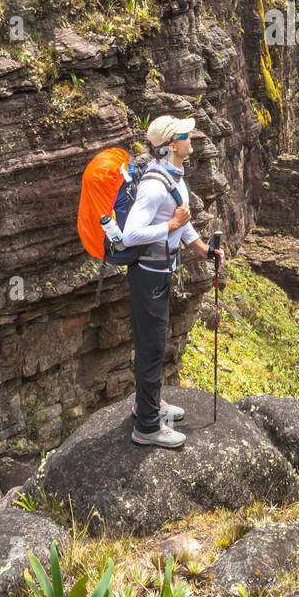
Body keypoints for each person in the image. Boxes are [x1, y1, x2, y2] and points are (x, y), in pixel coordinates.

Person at [122, 115, 224, 449]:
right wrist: (170, 227)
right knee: (151, 347)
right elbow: (132, 234)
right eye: (185, 133)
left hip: (161, 271)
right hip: (148, 275)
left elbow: (182, 220)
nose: (191, 135)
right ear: (170, 145)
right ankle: (148, 426)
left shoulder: (175, 177)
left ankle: (146, 404)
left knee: (156, 341)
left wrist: (202, 248)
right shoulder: (153, 185)